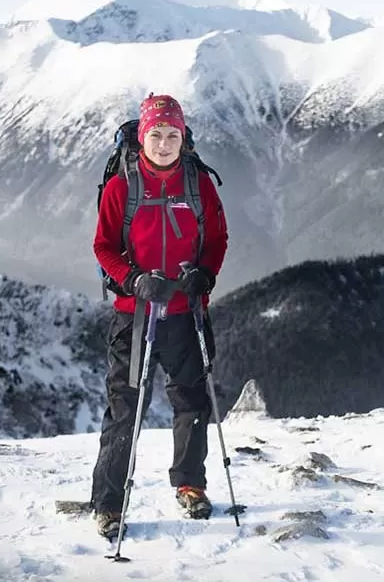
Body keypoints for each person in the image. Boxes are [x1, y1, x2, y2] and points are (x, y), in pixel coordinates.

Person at [90, 93, 228, 539]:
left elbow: (218, 238)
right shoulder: (122, 186)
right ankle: (108, 503)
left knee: (192, 400)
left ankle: (190, 484)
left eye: (173, 135)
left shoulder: (198, 183)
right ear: (143, 137)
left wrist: (204, 275)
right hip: (135, 313)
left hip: (186, 311)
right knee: (125, 408)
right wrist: (132, 280)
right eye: (156, 134)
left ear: (184, 138)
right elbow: (104, 246)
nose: (164, 143)